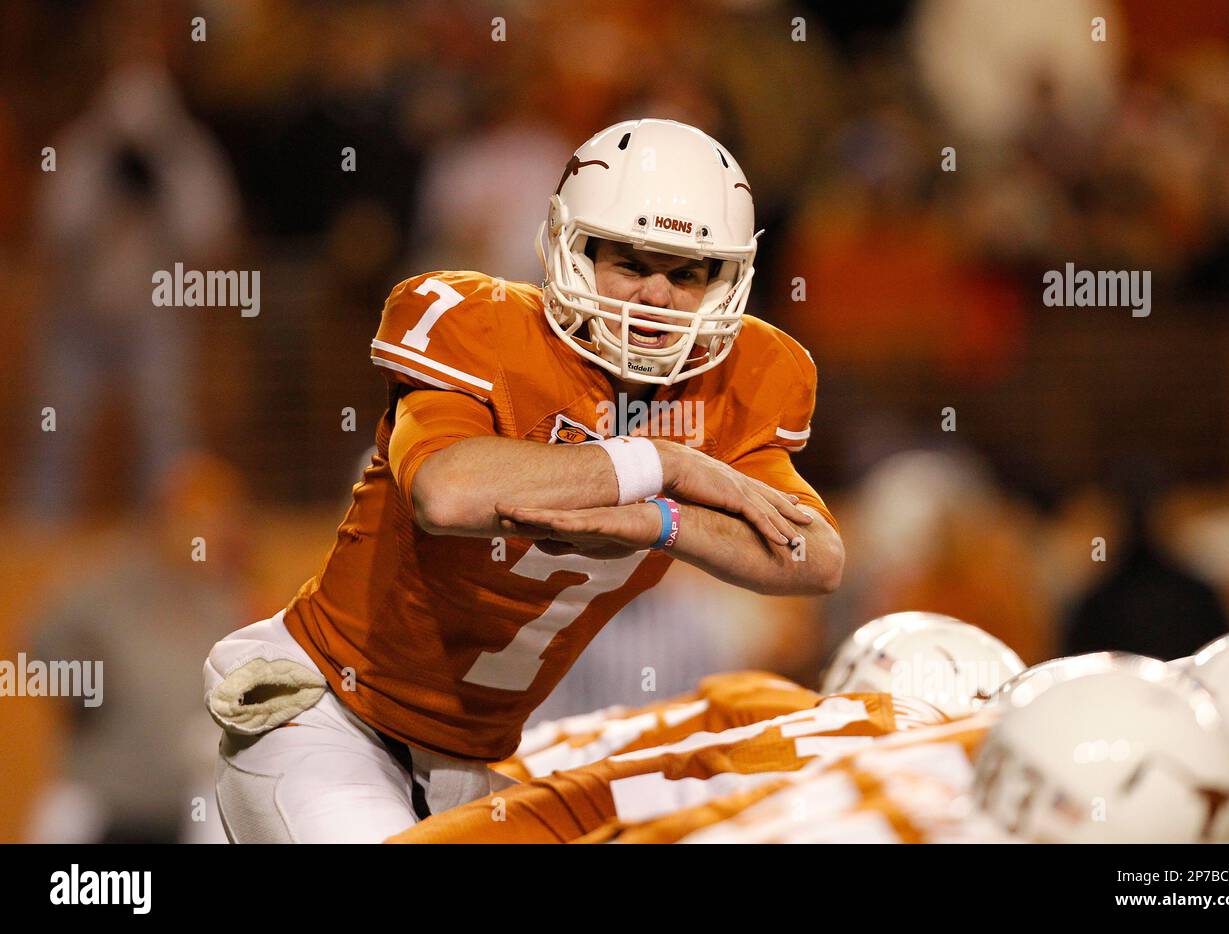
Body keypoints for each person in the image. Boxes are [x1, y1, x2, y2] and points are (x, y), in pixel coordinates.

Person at [203, 118, 844, 843]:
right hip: (332, 722)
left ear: (725, 280)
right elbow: (447, 493)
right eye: (631, 264)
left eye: (686, 271)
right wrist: (657, 464)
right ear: (572, 250)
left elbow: (813, 556)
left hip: (467, 768)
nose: (658, 296)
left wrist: (662, 521)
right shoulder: (480, 327)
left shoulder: (739, 381)